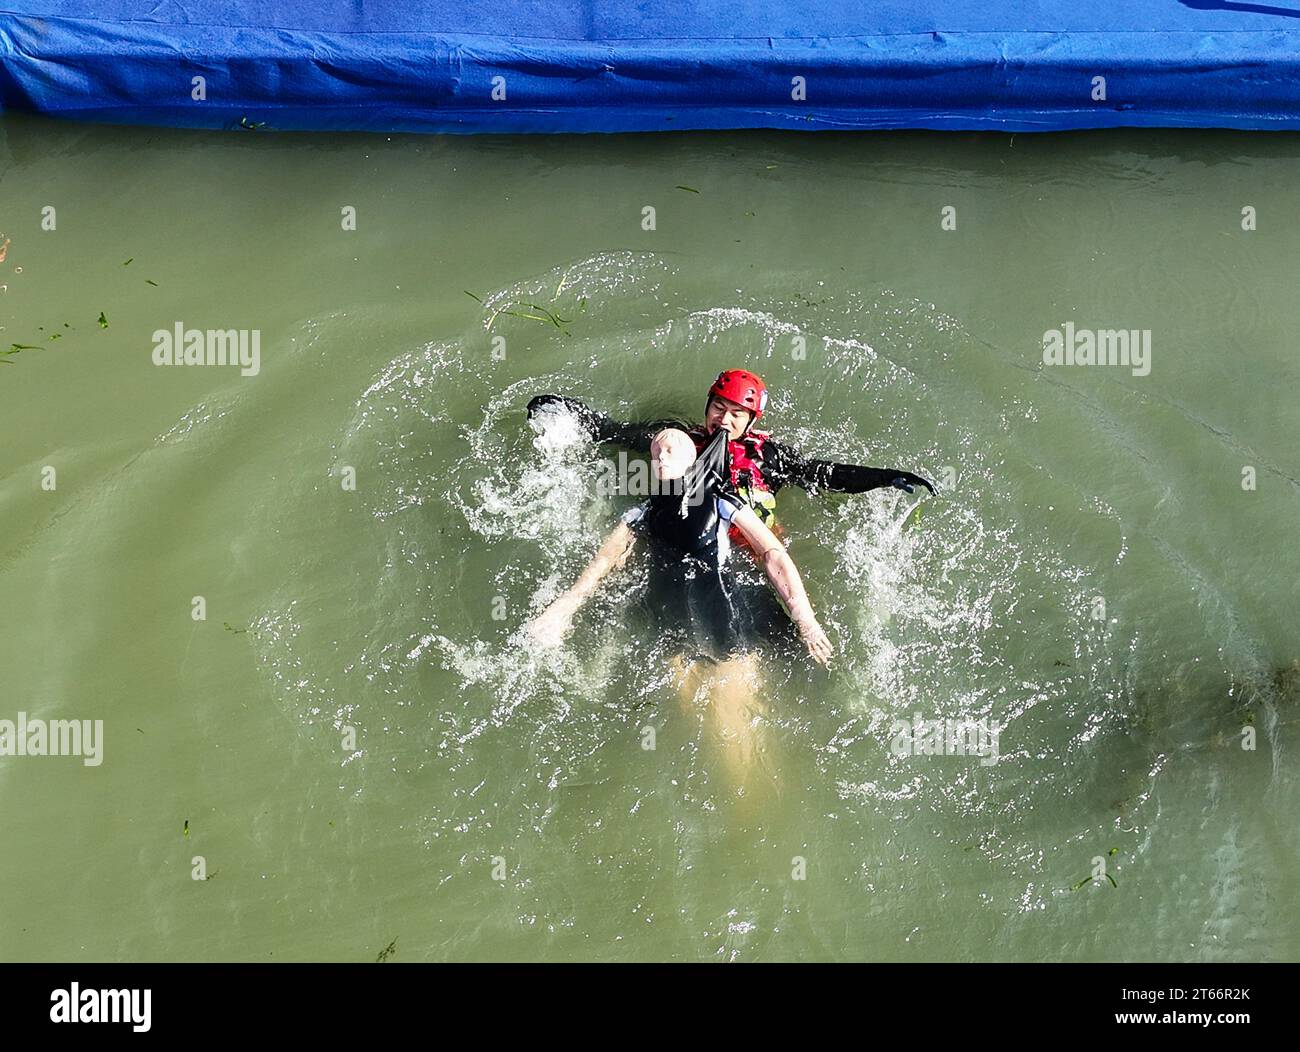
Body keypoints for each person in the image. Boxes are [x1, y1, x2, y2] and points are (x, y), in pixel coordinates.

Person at [526, 368, 935, 558]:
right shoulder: (681, 442)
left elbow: (824, 474)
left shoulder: (771, 457)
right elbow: (618, 432)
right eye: (718, 408)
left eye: (736, 413)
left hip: (750, 548)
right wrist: (569, 417)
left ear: (752, 421)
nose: (724, 419)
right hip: (689, 534)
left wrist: (883, 477)